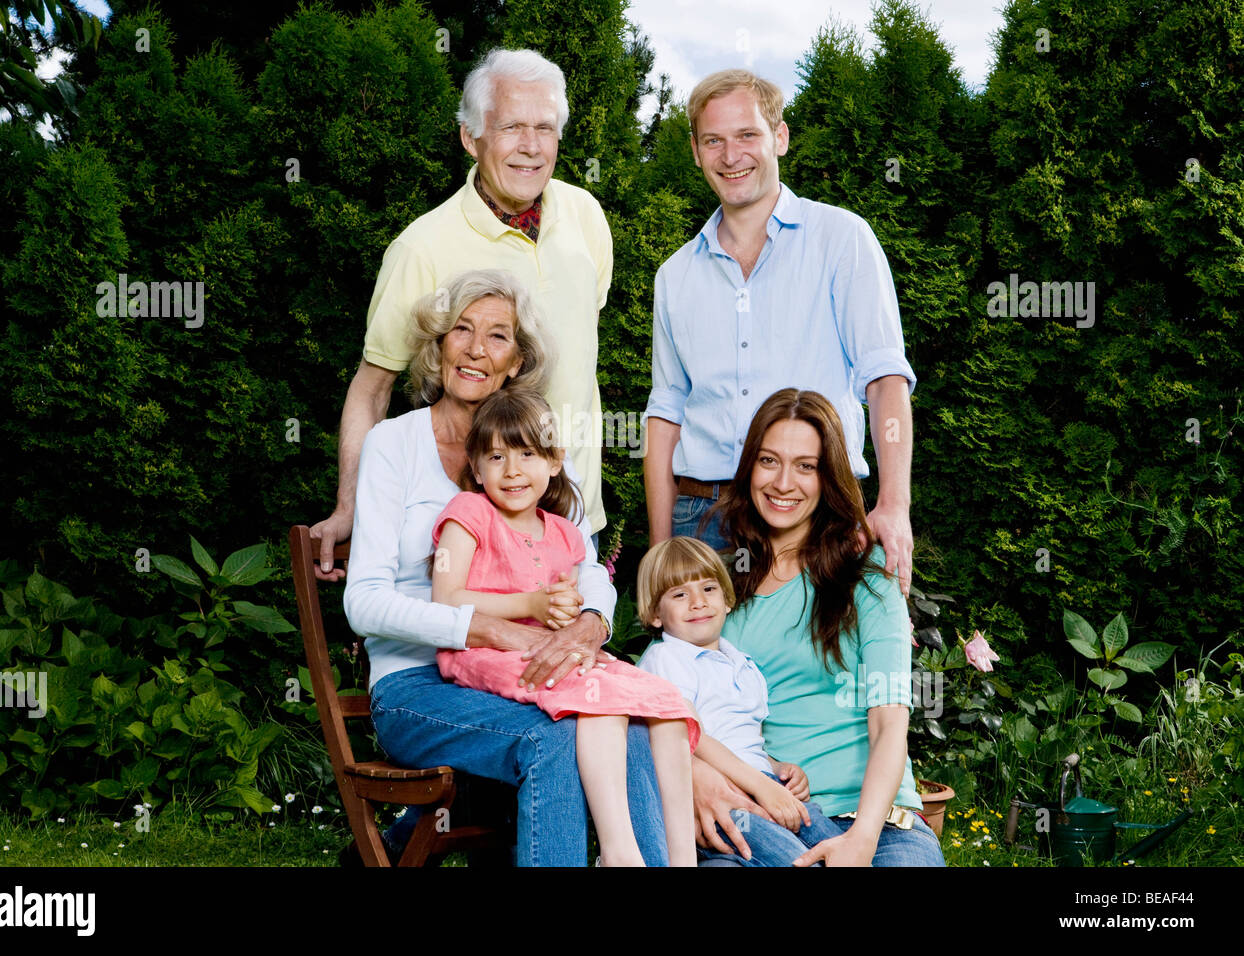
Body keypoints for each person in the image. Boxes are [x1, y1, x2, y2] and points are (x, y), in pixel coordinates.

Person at [343, 270, 668, 866]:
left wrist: (593, 621)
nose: (474, 349)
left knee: (635, 724)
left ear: (517, 361)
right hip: (416, 684)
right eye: (460, 330)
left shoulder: (522, 448)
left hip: (521, 670)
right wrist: (484, 627)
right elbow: (362, 602)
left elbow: (583, 561)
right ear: (438, 345)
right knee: (554, 738)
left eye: (497, 337)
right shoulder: (394, 445)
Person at [313, 48, 614, 579]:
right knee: (480, 656)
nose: (531, 146)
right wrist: (351, 504)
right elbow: (372, 387)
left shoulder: (587, 217)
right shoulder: (421, 249)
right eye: (511, 127)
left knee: (572, 657)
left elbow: (576, 355)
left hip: (573, 519)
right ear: (470, 138)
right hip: (475, 528)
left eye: (545, 127)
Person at [643, 68, 917, 596]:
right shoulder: (675, 276)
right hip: (703, 521)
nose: (731, 155)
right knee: (698, 678)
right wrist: (662, 551)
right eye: (713, 140)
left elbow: (885, 378)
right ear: (696, 152)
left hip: (818, 512)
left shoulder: (842, 239)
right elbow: (665, 415)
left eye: (747, 135)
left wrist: (894, 506)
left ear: (780, 138)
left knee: (820, 674)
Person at [430, 388, 699, 867]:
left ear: (555, 461)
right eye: (496, 456)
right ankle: (618, 850)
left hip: (548, 651)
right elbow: (446, 598)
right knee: (595, 695)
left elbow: (566, 607)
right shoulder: (470, 516)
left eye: (528, 453)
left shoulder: (564, 533)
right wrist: (531, 603)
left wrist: (564, 611)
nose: (512, 469)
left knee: (665, 703)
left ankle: (681, 859)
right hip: (484, 653)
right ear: (476, 469)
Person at [689, 388, 944, 866]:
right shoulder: (716, 584)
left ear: (828, 479)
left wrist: (862, 839)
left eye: (806, 466)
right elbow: (659, 697)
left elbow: (889, 723)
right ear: (749, 469)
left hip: (878, 824)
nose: (784, 482)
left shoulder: (867, 578)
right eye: (769, 460)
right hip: (764, 818)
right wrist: (693, 773)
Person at [635, 535, 841, 866]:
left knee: (839, 848)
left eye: (709, 588)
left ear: (728, 599)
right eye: (679, 594)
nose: (698, 601)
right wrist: (762, 785)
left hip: (765, 784)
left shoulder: (744, 664)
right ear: (655, 615)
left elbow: (746, 736)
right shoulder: (666, 659)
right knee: (798, 860)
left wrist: (777, 769)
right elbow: (694, 738)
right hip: (718, 796)